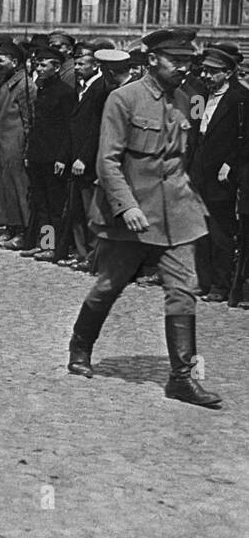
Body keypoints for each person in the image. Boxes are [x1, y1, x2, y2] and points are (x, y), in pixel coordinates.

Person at [67, 29, 220, 408]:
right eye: (176, 61)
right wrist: (127, 205)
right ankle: (80, 346)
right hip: (131, 212)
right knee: (109, 284)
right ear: (152, 60)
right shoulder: (124, 99)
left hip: (177, 210)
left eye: (187, 61)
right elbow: (108, 160)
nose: (184, 68)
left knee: (184, 288)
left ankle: (181, 377)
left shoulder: (186, 100)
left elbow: (183, 156)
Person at [188, 43, 248, 302]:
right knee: (200, 229)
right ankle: (203, 280)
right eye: (205, 72)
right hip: (198, 168)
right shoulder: (201, 95)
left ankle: (221, 285)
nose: (207, 77)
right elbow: (194, 129)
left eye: (213, 73)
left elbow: (245, 138)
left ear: (228, 72)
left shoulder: (240, 98)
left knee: (220, 232)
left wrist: (230, 164)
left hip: (221, 173)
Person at [21, 45, 76, 260]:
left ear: (57, 67)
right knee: (40, 203)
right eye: (38, 64)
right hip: (38, 155)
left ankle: (56, 248)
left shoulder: (65, 93)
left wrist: (62, 157)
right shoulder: (41, 89)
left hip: (54, 157)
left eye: (44, 65)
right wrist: (29, 153)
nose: (39, 68)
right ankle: (45, 244)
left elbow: (69, 128)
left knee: (54, 205)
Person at [60, 42, 110, 269]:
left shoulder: (100, 88)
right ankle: (81, 253)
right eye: (76, 63)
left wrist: (83, 157)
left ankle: (92, 255)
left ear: (95, 65)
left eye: (81, 63)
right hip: (73, 156)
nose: (77, 67)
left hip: (86, 161)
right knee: (76, 209)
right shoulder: (81, 86)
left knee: (91, 210)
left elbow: (95, 127)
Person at [0, 41, 33, 250]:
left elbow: (29, 119)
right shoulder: (4, 82)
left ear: (14, 61)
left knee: (17, 189)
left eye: (1, 59)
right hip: (0, 142)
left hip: (16, 144)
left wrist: (27, 148)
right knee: (2, 187)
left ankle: (22, 232)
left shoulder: (25, 86)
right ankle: (8, 229)